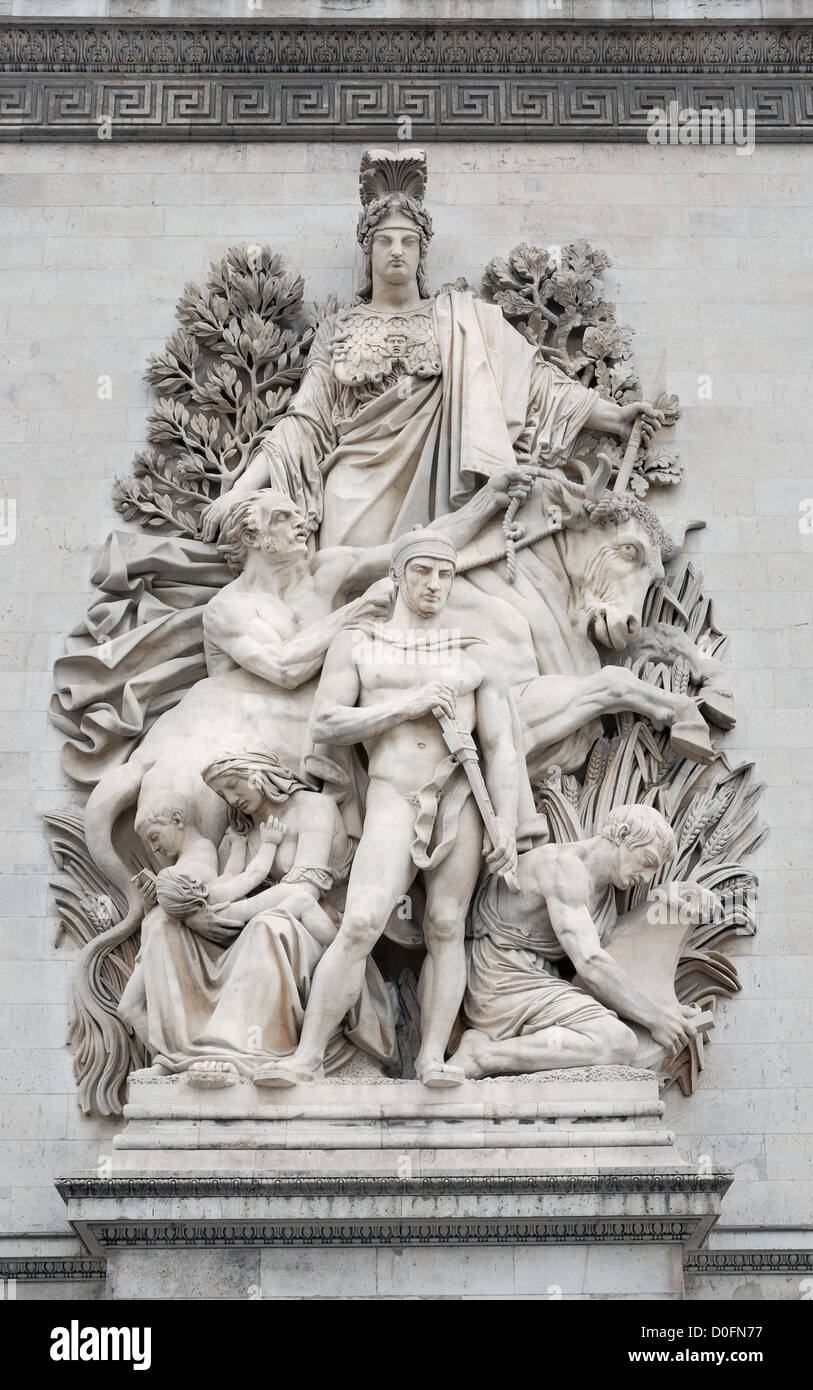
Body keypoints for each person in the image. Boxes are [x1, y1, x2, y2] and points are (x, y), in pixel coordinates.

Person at [201, 148, 664, 551]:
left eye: (409, 241)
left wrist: (615, 417)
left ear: (423, 252)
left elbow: (537, 385)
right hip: (353, 487)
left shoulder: (461, 318)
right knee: (345, 597)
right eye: (384, 241)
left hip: (440, 489)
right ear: (369, 251)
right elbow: (304, 423)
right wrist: (239, 491)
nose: (397, 250)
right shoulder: (339, 329)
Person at [253, 528, 521, 1089]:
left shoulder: (475, 653)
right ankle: (306, 1057)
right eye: (423, 572)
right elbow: (326, 723)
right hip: (391, 792)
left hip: (459, 796)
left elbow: (500, 747)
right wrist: (410, 704)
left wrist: (509, 826)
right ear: (398, 575)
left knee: (446, 924)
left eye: (445, 575)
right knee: (363, 919)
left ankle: (430, 1059)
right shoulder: (360, 643)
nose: (435, 585)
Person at [450, 804, 706, 1079]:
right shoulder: (563, 867)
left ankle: (492, 1052)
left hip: (538, 982)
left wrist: (662, 902)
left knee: (617, 1040)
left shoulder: (603, 892)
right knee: (618, 1042)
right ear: (622, 834)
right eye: (647, 861)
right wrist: (656, 1019)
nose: (644, 877)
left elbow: (614, 950)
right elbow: (592, 963)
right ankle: (482, 1055)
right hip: (499, 982)